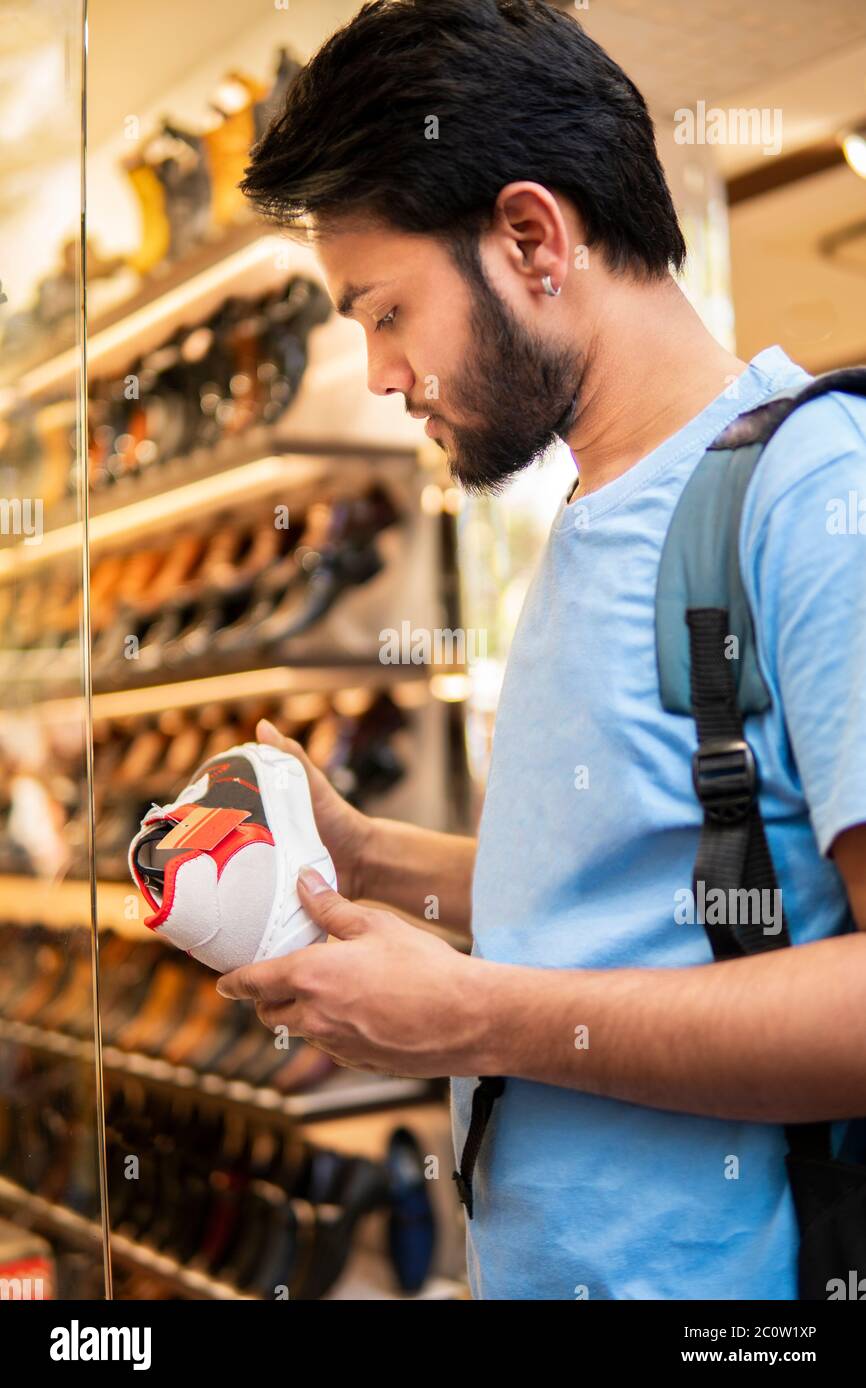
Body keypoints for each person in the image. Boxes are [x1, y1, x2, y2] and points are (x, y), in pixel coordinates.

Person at [215, 0, 866, 1299]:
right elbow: (644, 899)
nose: (381, 372)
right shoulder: (594, 508)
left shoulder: (811, 499)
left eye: (385, 310)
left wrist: (470, 1017)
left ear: (530, 237)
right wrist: (370, 853)